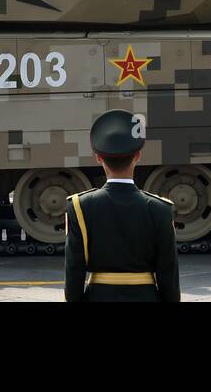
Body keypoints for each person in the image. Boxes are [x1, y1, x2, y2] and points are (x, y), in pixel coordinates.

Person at [64, 109, 180, 303]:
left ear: (99, 158)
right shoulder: (160, 209)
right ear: (138, 156)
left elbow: (74, 271)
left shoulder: (80, 206)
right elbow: (168, 276)